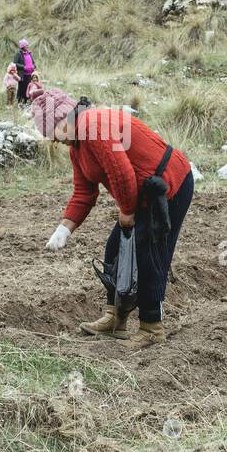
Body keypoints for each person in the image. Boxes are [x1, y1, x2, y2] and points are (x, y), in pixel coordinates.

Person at [31, 88, 194, 349]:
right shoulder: (78, 146)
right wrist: (64, 229)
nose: (53, 141)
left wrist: (128, 211)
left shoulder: (92, 125)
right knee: (115, 247)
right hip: (143, 194)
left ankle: (152, 327)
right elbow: (84, 193)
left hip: (170, 185)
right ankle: (115, 318)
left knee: (148, 250)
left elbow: (123, 174)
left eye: (53, 132)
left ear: (64, 119)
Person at [13, 39, 36, 107]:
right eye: (26, 45)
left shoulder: (30, 53)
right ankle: (19, 102)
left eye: (27, 45)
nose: (27, 46)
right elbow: (15, 63)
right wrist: (24, 67)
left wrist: (33, 66)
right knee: (22, 89)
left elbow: (34, 63)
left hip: (30, 75)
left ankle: (26, 102)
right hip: (22, 75)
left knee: (29, 88)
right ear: (22, 46)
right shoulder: (18, 54)